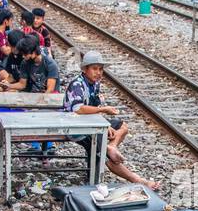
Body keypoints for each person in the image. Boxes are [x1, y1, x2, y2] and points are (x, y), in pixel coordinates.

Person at [63, 51, 160, 189]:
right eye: (94, 68)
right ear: (85, 69)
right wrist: (103, 111)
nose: (98, 72)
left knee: (122, 126)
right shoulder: (77, 84)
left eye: (100, 69)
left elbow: (94, 107)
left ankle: (111, 147)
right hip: (77, 127)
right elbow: (78, 109)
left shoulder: (95, 84)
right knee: (105, 155)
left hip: (92, 125)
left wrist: (105, 125)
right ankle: (140, 181)